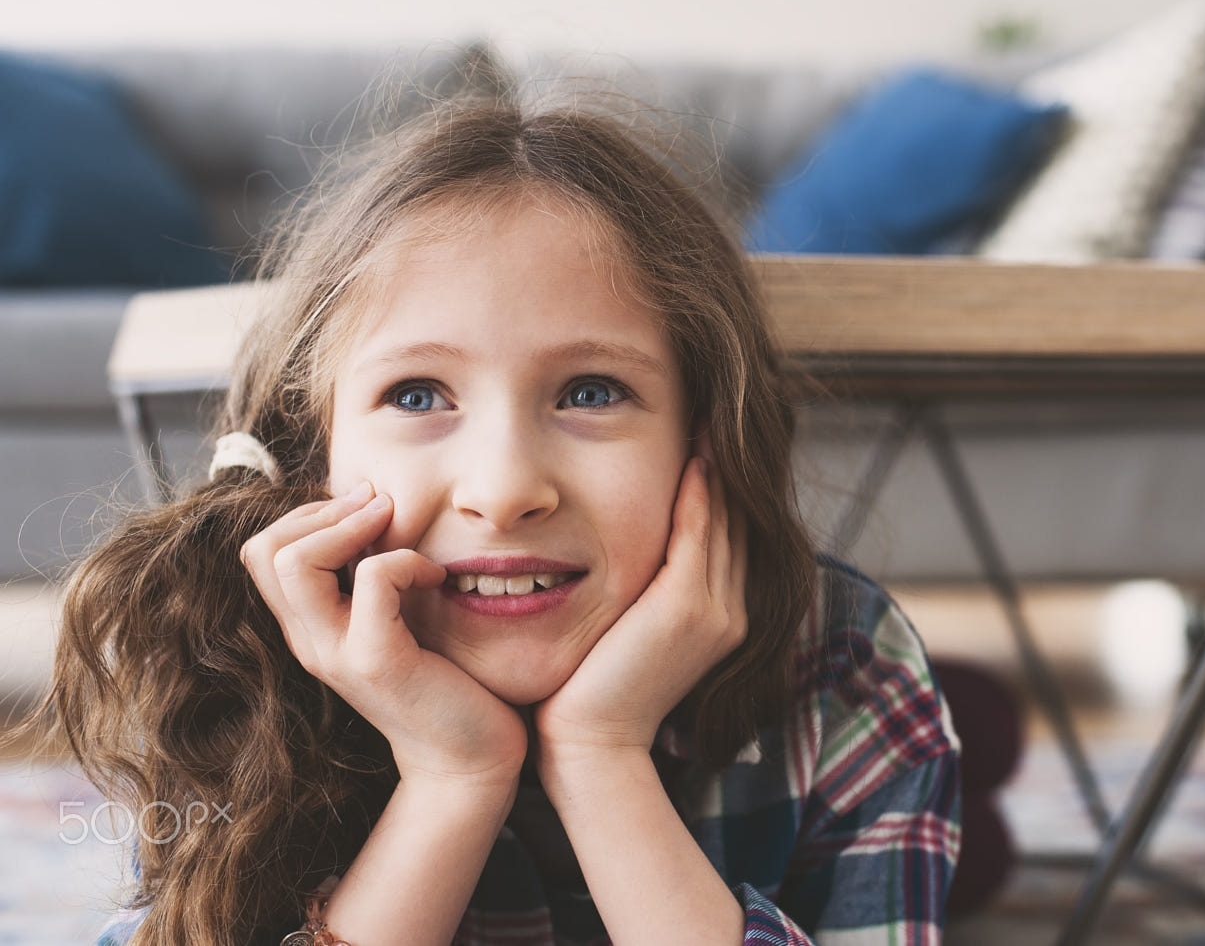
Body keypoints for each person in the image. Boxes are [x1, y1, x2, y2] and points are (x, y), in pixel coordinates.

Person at [46, 89, 960, 946]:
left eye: (591, 391)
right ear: (314, 455)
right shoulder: (221, 651)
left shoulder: (843, 654)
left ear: (707, 437)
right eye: (416, 395)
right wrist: (452, 780)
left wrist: (603, 758)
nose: (505, 487)